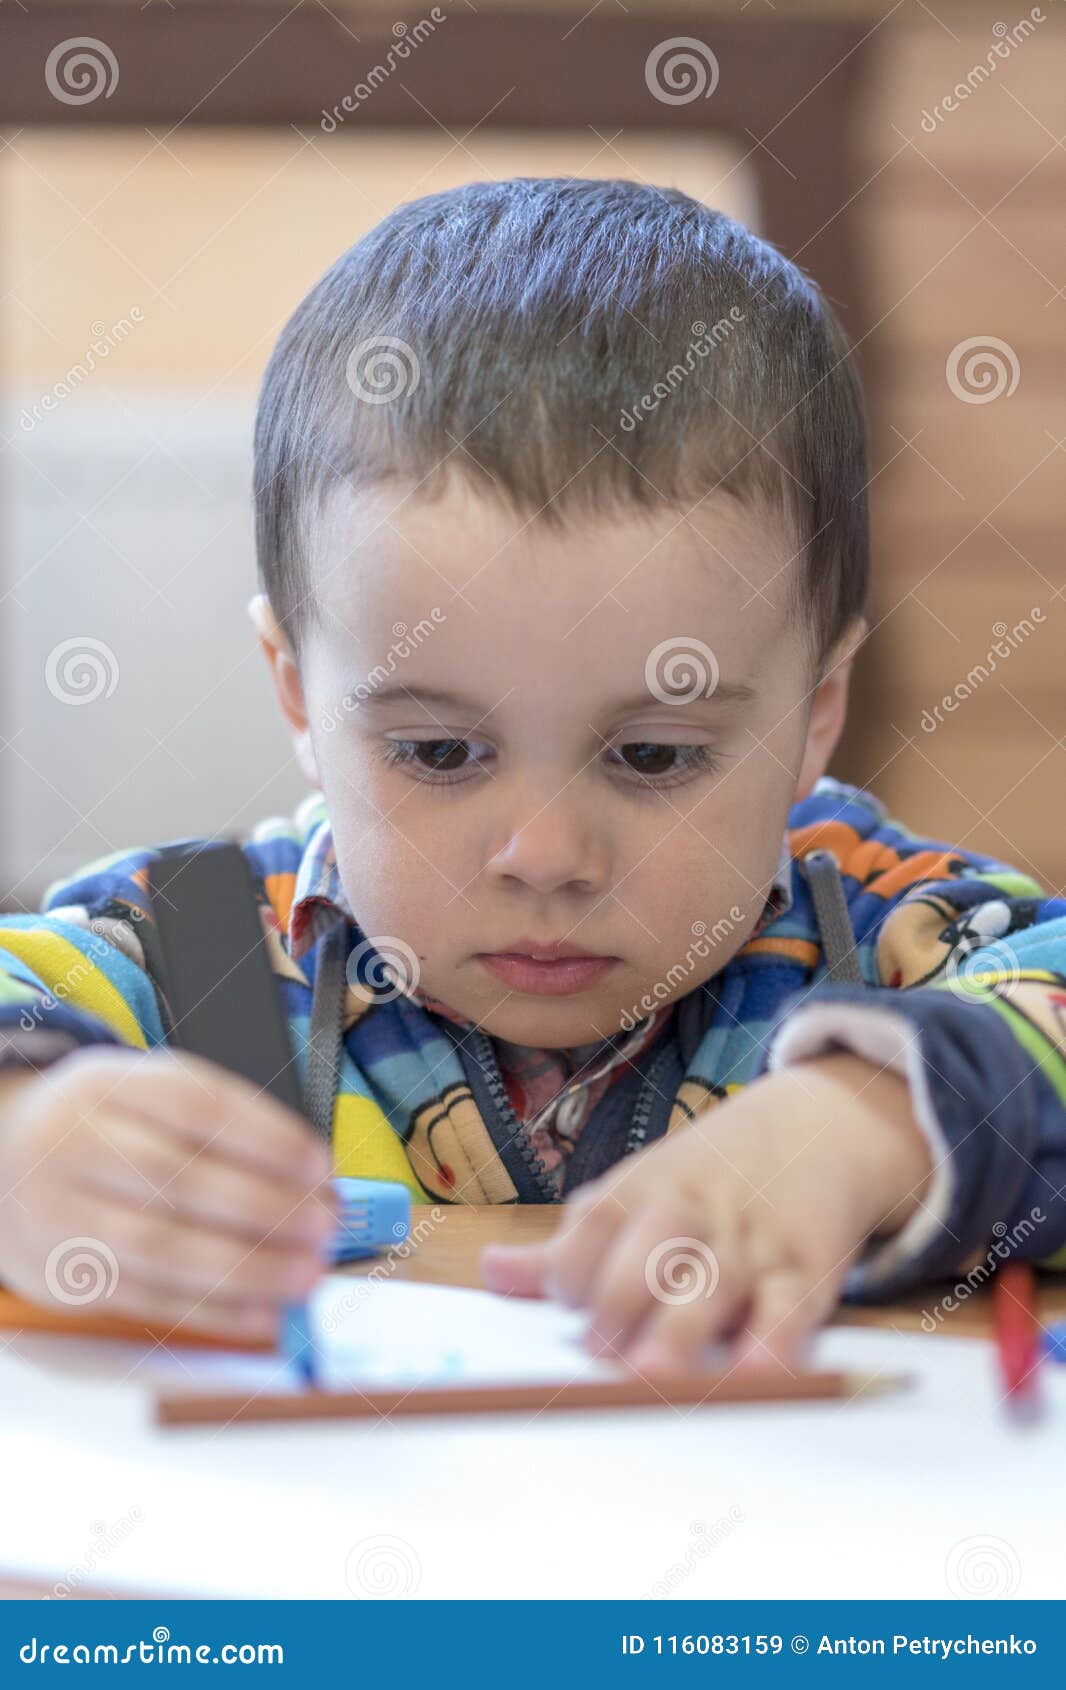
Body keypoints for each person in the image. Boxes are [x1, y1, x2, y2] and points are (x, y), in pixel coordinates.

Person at [1, 179, 1063, 1374]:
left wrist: (856, 1126)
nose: (548, 856)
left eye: (654, 754)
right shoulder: (202, 957)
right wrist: (26, 1145)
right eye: (440, 753)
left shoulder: (886, 923)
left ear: (815, 709)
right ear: (298, 690)